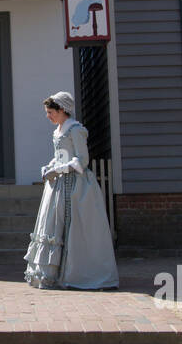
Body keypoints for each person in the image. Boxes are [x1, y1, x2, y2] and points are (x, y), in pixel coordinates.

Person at [22, 91, 119, 290]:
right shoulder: (58, 130)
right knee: (54, 226)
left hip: (76, 185)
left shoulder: (75, 129)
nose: (48, 116)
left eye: (50, 112)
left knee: (76, 229)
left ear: (62, 110)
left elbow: (82, 160)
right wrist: (49, 166)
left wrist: (59, 169)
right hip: (58, 185)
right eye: (47, 112)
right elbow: (61, 155)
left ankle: (77, 274)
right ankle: (55, 275)